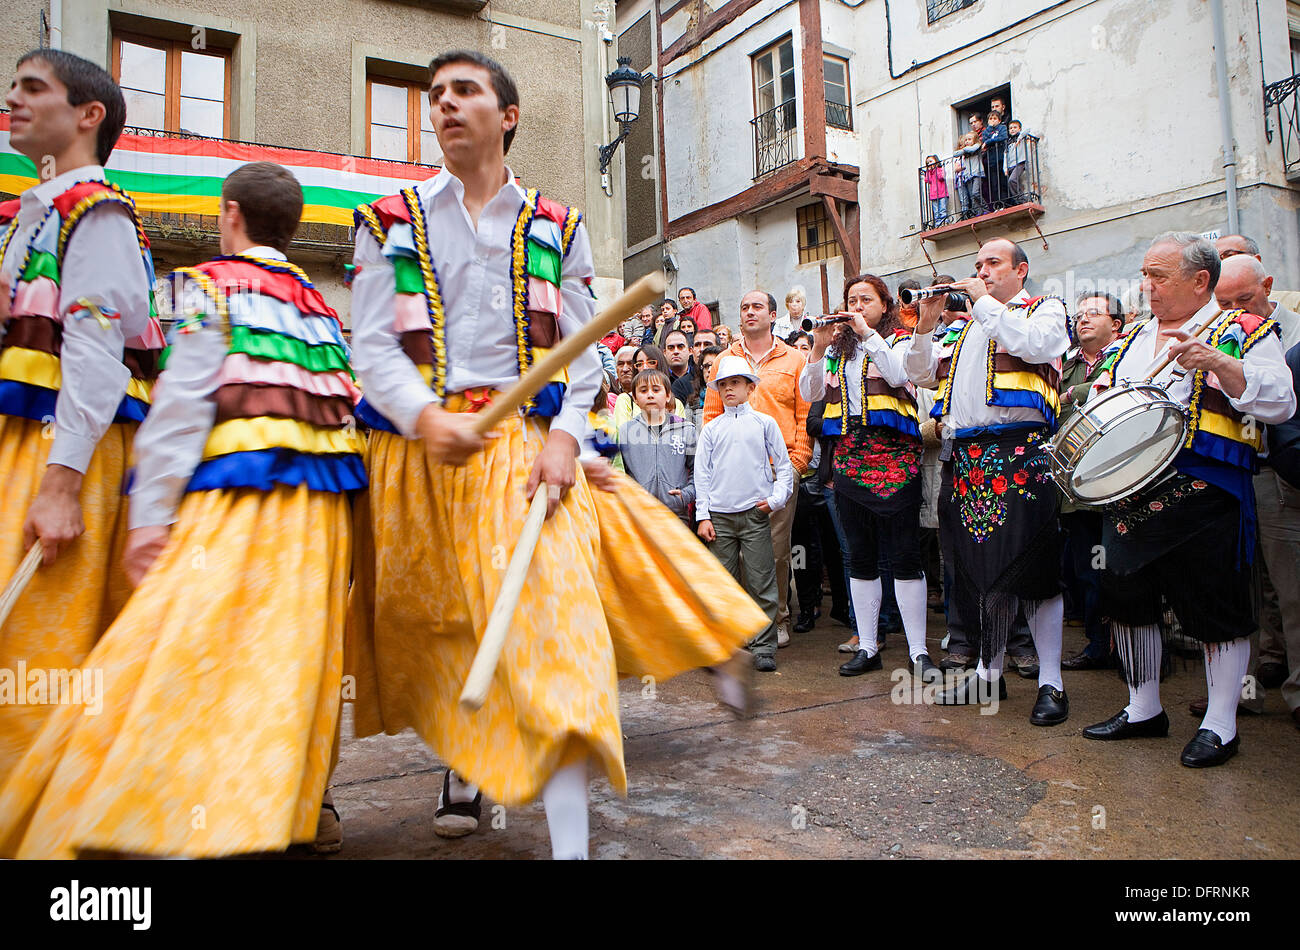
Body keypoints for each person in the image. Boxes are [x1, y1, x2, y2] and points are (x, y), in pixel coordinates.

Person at [345, 50, 763, 857]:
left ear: (507, 115)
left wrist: (569, 435)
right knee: (448, 636)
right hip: (416, 457)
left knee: (555, 636)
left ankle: (571, 847)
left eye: (465, 91)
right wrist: (428, 419)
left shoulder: (558, 226)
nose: (445, 105)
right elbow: (370, 349)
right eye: (435, 96)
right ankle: (465, 768)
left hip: (526, 451)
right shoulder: (386, 220)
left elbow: (583, 351)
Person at [0, 161, 365, 858]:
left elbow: (178, 408)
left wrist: (149, 519)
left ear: (230, 215)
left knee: (183, 651)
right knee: (294, 656)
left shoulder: (204, 286)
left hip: (239, 496)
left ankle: (138, 810)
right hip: (323, 511)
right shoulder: (322, 305)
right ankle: (294, 802)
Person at [0, 49, 164, 786]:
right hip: (28, 445)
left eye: (33, 88)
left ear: (88, 116)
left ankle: (41, 816)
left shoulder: (96, 212)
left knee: (37, 645)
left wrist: (61, 485)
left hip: (63, 452)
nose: (12, 99)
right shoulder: (37, 215)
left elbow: (95, 356)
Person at [1081, 233, 1295, 767]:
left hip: (1207, 486)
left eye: (1158, 275)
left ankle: (1221, 723)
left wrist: (1220, 364)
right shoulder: (1131, 340)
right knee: (1126, 595)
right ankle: (1143, 708)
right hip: (1130, 489)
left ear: (1201, 281)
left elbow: (1281, 399)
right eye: (1145, 274)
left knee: (1213, 603)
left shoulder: (1242, 329)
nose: (1146, 286)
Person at [906, 238, 1070, 724]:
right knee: (978, 571)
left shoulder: (1046, 309)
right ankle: (986, 673)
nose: (982, 270)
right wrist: (926, 325)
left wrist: (980, 298)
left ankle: (1052, 684)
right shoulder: (964, 329)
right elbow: (917, 374)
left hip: (1022, 450)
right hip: (969, 456)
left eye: (992, 263)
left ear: (1021, 271)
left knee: (1034, 572)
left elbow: (1034, 345)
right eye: (977, 265)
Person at [802, 275, 937, 679]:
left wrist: (867, 336)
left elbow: (900, 376)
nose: (857, 306)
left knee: (905, 556)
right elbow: (810, 394)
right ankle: (868, 645)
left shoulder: (898, 341)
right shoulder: (835, 353)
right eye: (851, 300)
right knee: (859, 557)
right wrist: (818, 346)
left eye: (866, 299)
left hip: (896, 456)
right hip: (850, 457)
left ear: (884, 305)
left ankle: (917, 650)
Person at [704, 291, 813, 648]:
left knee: (776, 551)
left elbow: (804, 413)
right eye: (744, 307)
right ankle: (741, 624)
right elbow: (710, 416)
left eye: (756, 307)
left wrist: (797, 462)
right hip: (733, 477)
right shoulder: (724, 359)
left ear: (773, 314)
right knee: (732, 554)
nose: (749, 312)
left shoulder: (795, 359)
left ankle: (776, 619)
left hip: (778, 474)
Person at [696, 355, 793, 671]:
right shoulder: (712, 429)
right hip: (720, 516)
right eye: (723, 385)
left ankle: (763, 645)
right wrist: (704, 515)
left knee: (761, 580)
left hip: (754, 514)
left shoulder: (765, 423)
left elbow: (784, 465)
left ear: (750, 387)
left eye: (735, 383)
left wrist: (776, 499)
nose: (728, 390)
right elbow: (702, 475)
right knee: (722, 583)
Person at [1059, 293, 1125, 671]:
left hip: (1119, 480)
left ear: (1116, 324)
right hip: (1077, 484)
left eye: (1094, 314)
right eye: (1079, 315)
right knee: (1088, 568)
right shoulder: (1066, 363)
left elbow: (1119, 389)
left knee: (1124, 567)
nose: (1083, 320)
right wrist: (1069, 394)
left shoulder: (1127, 354)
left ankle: (1136, 647)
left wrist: (1073, 395)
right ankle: (1098, 644)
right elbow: (1053, 400)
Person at [618, 367, 696, 526]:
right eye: (643, 390)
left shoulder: (685, 429)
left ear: (668, 395)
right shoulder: (626, 432)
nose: (650, 395)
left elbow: (698, 471)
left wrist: (686, 495)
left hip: (676, 516)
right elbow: (620, 473)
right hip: (638, 517)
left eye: (656, 389)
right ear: (635, 398)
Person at [662, 328, 697, 408]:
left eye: (680, 347)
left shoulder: (699, 378)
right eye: (671, 348)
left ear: (690, 351)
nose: (676, 351)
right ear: (664, 353)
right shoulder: (659, 381)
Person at [982, 111, 1010, 209]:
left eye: (995, 119)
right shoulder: (986, 131)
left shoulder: (1002, 128)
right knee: (994, 183)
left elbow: (1003, 137)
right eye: (990, 119)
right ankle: (998, 204)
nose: (992, 121)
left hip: (1001, 158)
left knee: (1003, 181)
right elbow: (984, 140)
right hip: (991, 160)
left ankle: (1006, 203)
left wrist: (990, 141)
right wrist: (990, 128)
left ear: (999, 120)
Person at [1003, 120, 1036, 202]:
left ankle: (1021, 198)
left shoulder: (1021, 137)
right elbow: (1005, 156)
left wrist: (1020, 137)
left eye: (1015, 127)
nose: (1012, 129)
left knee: (1012, 180)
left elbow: (1028, 129)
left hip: (1020, 162)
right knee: (1013, 182)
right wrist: (1005, 168)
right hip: (1010, 165)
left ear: (1019, 129)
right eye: (1010, 128)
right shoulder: (1008, 142)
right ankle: (1019, 199)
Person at [958, 130, 987, 217]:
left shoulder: (977, 146)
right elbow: (955, 154)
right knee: (972, 196)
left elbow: (973, 149)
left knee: (975, 192)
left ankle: (986, 208)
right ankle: (979, 211)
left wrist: (963, 150)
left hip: (977, 173)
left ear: (974, 140)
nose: (967, 141)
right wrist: (964, 150)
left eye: (969, 139)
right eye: (966, 140)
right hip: (968, 175)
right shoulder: (965, 151)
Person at [924, 154, 949, 226]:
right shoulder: (930, 173)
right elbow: (927, 180)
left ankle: (945, 222)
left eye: (931, 161)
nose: (929, 163)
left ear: (936, 161)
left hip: (942, 193)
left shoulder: (940, 169)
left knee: (942, 209)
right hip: (934, 195)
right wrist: (929, 172)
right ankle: (938, 224)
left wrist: (936, 168)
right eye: (928, 163)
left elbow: (941, 177)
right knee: (936, 211)